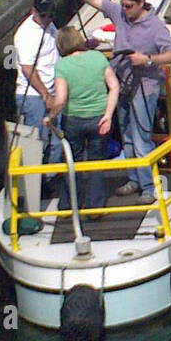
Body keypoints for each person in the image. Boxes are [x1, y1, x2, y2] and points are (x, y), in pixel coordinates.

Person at [61, 0, 171, 203]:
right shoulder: (119, 14)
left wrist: (146, 59)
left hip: (143, 89)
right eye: (123, 5)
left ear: (141, 4)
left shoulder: (156, 27)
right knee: (126, 135)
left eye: (129, 6)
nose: (124, 10)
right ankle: (133, 179)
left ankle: (148, 187)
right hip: (122, 87)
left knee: (141, 139)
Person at [46, 26, 120, 211]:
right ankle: (95, 207)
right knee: (96, 162)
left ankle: (69, 204)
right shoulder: (98, 57)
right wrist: (108, 115)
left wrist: (50, 117)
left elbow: (61, 99)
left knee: (72, 162)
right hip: (99, 119)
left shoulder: (62, 66)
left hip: (74, 121)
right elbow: (114, 86)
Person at [14, 0, 60, 166]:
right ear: (33, 11)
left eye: (51, 14)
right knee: (36, 144)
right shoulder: (26, 34)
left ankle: (49, 180)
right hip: (34, 98)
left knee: (55, 142)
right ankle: (35, 187)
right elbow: (28, 69)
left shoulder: (49, 26)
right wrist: (46, 95)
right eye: (43, 15)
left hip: (53, 92)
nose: (48, 18)